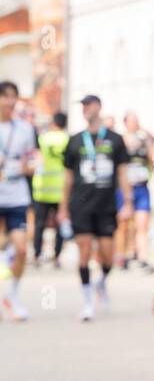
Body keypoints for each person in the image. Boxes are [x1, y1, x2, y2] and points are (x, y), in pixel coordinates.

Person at [60, 94, 132, 322]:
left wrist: (128, 203)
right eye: (82, 106)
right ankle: (88, 301)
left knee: (107, 255)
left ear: (98, 107)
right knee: (83, 251)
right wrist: (63, 207)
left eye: (87, 105)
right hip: (80, 204)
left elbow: (122, 173)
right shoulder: (75, 141)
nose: (84, 109)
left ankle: (100, 283)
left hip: (106, 204)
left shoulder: (115, 139)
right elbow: (68, 176)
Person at [0, 81, 38, 319]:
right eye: (5, 96)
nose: (9, 101)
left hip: (17, 194)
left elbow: (33, 159)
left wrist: (29, 167)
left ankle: (12, 294)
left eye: (13, 96)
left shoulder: (25, 129)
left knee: (22, 249)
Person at [32, 111, 69, 267]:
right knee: (60, 224)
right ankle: (57, 256)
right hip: (62, 189)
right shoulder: (69, 139)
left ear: (53, 123)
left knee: (39, 224)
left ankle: (37, 255)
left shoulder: (43, 138)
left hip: (43, 189)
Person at [120, 112, 154, 272]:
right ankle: (124, 255)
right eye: (132, 121)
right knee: (124, 224)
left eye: (137, 121)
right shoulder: (120, 140)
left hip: (141, 186)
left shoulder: (143, 140)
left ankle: (142, 257)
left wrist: (147, 141)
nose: (135, 124)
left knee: (142, 224)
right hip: (125, 187)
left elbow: (152, 158)